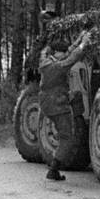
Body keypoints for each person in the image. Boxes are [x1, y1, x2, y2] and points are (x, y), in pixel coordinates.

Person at [38, 29, 92, 181]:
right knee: (67, 138)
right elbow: (71, 59)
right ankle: (53, 169)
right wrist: (84, 45)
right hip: (57, 104)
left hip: (48, 103)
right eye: (62, 52)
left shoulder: (47, 61)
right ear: (56, 53)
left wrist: (79, 38)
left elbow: (67, 53)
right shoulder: (55, 68)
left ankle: (54, 168)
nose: (64, 54)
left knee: (64, 134)